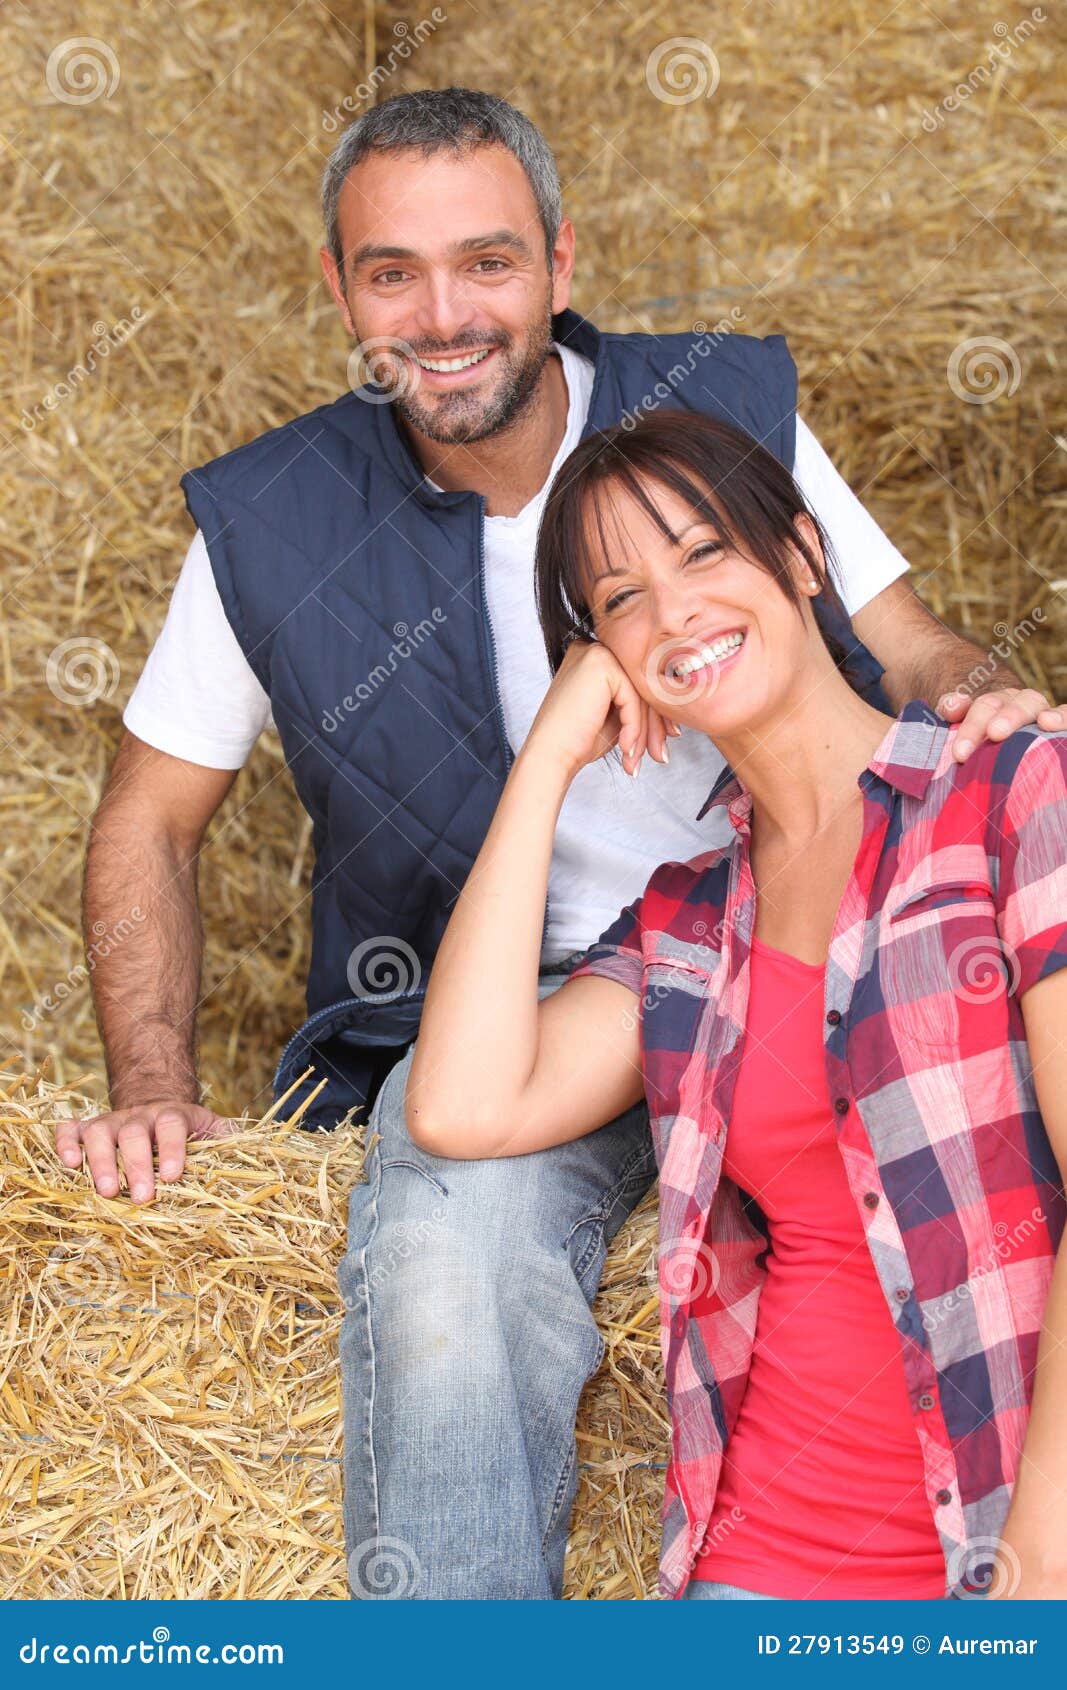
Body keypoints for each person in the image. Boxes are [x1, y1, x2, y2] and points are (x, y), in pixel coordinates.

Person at [57, 88, 1063, 1600]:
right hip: (514, 1006)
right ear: (338, 292)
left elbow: (912, 647)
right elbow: (144, 815)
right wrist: (154, 1091)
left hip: (787, 943)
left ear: (559, 260)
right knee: (449, 1274)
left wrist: (995, 735)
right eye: (391, 273)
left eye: (487, 261)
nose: (445, 313)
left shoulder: (722, 426)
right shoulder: (272, 516)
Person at [407, 409, 1067, 1602]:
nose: (674, 615)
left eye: (703, 552)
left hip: (1003, 1560)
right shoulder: (688, 928)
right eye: (619, 599)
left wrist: (1036, 1570)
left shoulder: (1014, 797)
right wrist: (546, 761)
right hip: (754, 1571)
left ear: (804, 557)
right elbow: (460, 1107)